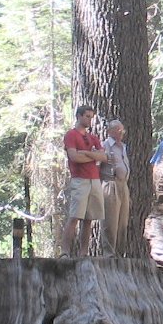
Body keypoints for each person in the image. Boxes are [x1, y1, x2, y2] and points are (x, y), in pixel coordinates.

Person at [60, 104, 109, 257]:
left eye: (91, 117)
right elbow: (74, 157)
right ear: (79, 116)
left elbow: (104, 157)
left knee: (89, 218)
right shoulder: (71, 135)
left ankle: (83, 253)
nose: (89, 120)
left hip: (94, 180)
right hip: (79, 179)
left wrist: (86, 154)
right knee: (75, 216)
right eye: (87, 116)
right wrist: (92, 154)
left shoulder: (92, 137)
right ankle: (65, 251)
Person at [101, 119, 131, 256]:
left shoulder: (123, 147)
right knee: (110, 222)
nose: (121, 133)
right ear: (110, 131)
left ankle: (120, 254)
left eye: (122, 130)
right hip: (110, 184)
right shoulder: (105, 145)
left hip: (123, 184)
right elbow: (97, 165)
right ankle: (109, 254)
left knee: (123, 222)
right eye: (118, 130)